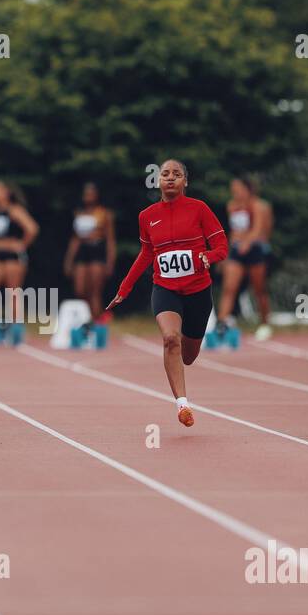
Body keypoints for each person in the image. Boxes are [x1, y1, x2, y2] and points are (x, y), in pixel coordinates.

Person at [106, 159, 228, 427]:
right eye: (165, 174)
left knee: (188, 355)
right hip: (165, 288)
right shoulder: (147, 216)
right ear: (158, 180)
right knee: (170, 339)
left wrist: (208, 257)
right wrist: (124, 289)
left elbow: (221, 245)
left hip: (198, 290)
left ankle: (185, 361)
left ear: (185, 181)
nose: (170, 178)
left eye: (176, 174)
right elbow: (146, 254)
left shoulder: (199, 209)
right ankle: (182, 405)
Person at [216, 177, 274, 345]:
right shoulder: (232, 206)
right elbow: (233, 231)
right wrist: (225, 252)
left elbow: (259, 229)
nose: (235, 192)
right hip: (237, 251)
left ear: (247, 189)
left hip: (255, 250)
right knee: (229, 288)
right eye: (233, 189)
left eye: (238, 189)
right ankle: (221, 324)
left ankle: (264, 324)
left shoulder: (259, 206)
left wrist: (248, 243)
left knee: (259, 289)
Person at [0, 180, 39, 344]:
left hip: (13, 256)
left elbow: (32, 229)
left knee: (13, 292)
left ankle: (16, 330)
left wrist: (21, 244)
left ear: (6, 192)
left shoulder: (15, 211)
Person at [63, 182, 116, 324]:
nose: (88, 196)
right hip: (82, 250)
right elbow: (74, 239)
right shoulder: (78, 213)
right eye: (86, 193)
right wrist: (69, 260)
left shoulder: (104, 213)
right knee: (80, 289)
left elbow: (110, 240)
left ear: (97, 195)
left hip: (96, 250)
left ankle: (97, 321)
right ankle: (85, 320)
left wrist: (110, 262)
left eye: (91, 193)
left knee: (95, 290)